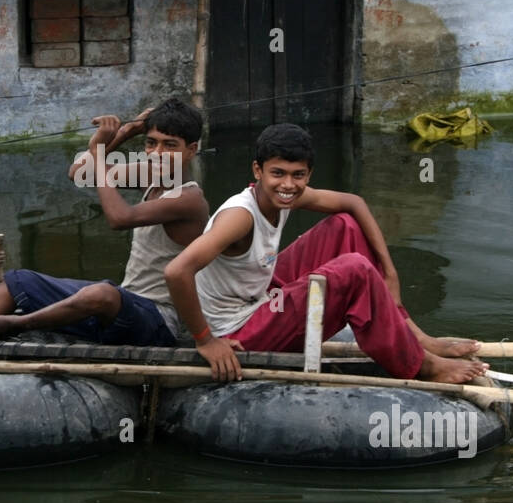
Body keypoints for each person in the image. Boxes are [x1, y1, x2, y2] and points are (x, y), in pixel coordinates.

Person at [0, 98, 208, 356]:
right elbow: (79, 173)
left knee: (102, 294)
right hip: (129, 305)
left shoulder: (189, 199)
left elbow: (118, 219)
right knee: (17, 280)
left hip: (159, 322)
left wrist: (100, 149)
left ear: (191, 150)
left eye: (170, 145)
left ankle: (17, 323)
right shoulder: (153, 174)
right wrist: (126, 132)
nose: (157, 154)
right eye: (151, 143)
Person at [164, 122, 487, 384]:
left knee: (344, 226)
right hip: (238, 330)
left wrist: (391, 273)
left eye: (298, 175)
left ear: (308, 175)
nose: (288, 185)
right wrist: (206, 340)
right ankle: (422, 364)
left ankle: (413, 334)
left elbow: (353, 203)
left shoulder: (286, 195)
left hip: (261, 297)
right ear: (258, 171)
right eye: (278, 173)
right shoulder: (240, 217)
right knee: (354, 268)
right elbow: (177, 271)